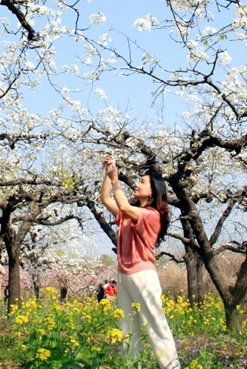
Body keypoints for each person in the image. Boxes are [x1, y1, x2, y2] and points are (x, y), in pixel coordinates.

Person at [100, 156, 180, 369]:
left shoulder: (151, 215)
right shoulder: (130, 215)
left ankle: (172, 366)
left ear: (153, 191)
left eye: (142, 182)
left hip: (143, 276)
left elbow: (125, 207)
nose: (136, 184)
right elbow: (106, 199)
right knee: (127, 327)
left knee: (155, 325)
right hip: (124, 275)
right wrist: (108, 173)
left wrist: (117, 180)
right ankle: (131, 365)